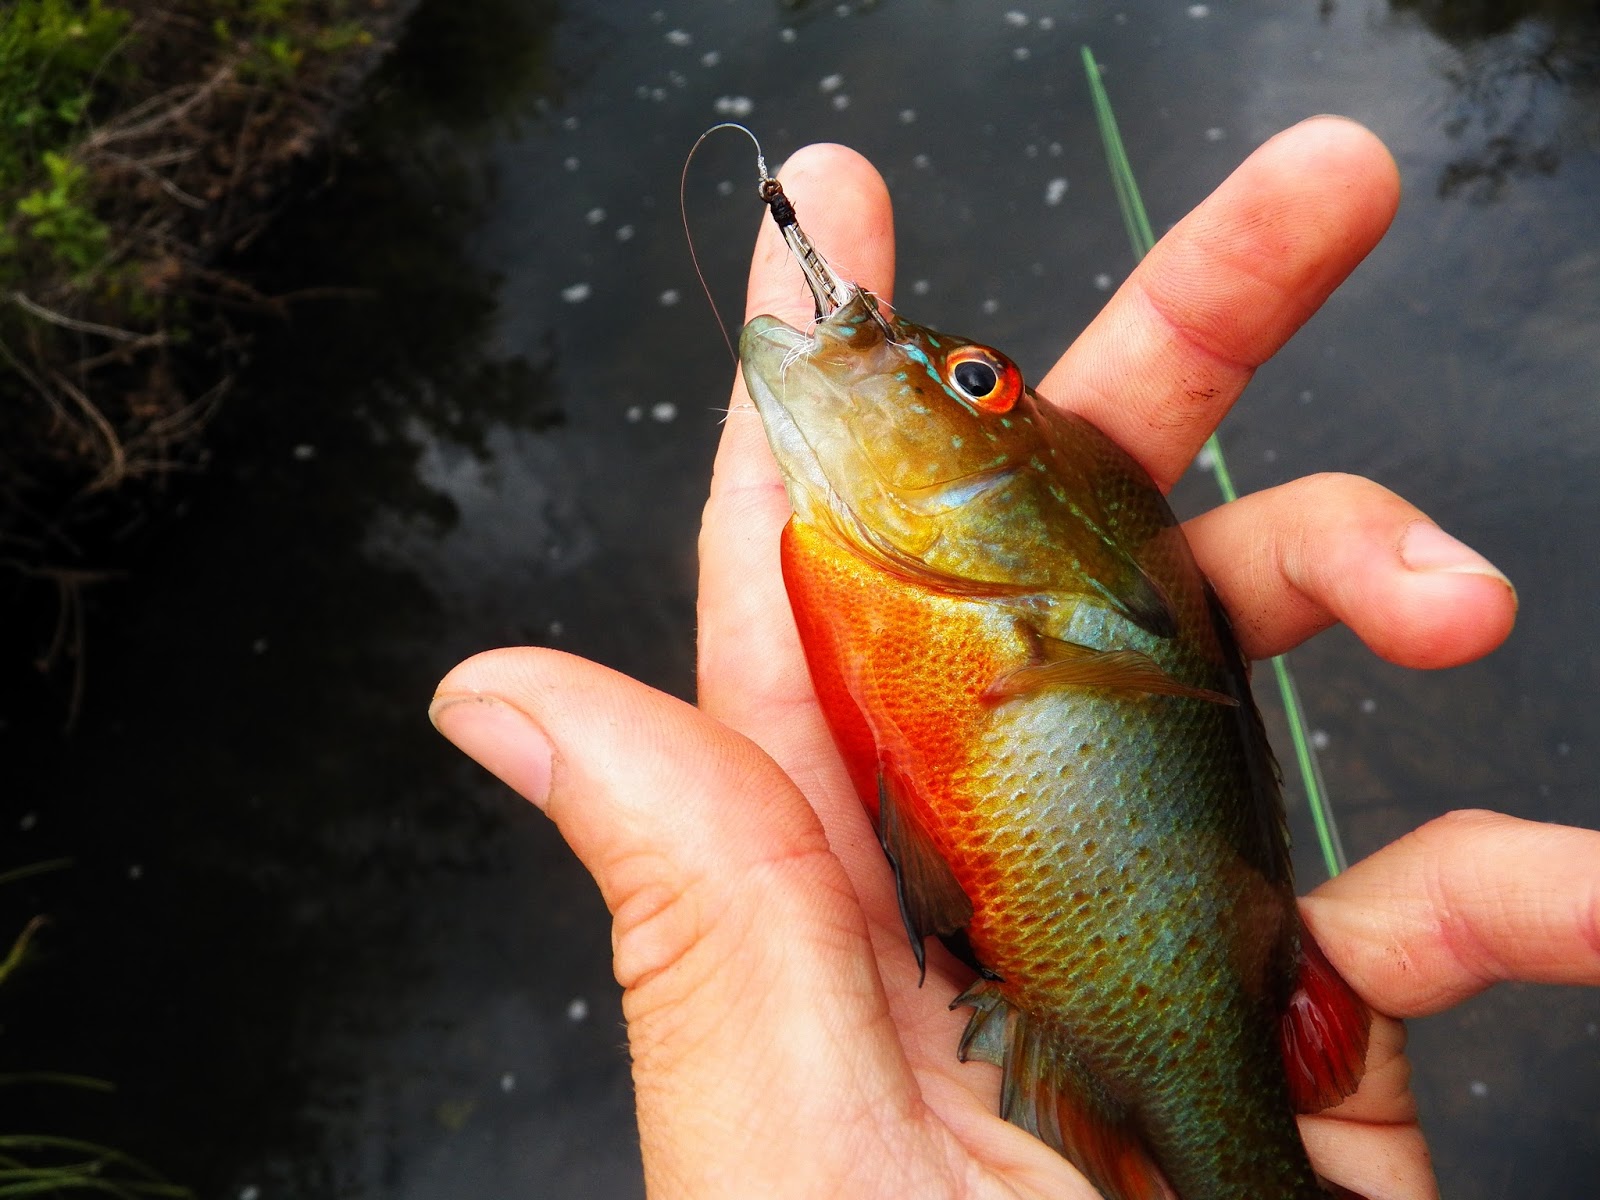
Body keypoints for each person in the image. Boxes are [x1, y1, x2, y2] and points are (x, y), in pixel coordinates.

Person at [429, 119, 1597, 1199]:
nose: (946, 371)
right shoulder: (963, 586)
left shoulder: (1018, 601)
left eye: (973, 382)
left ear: (1059, 532)